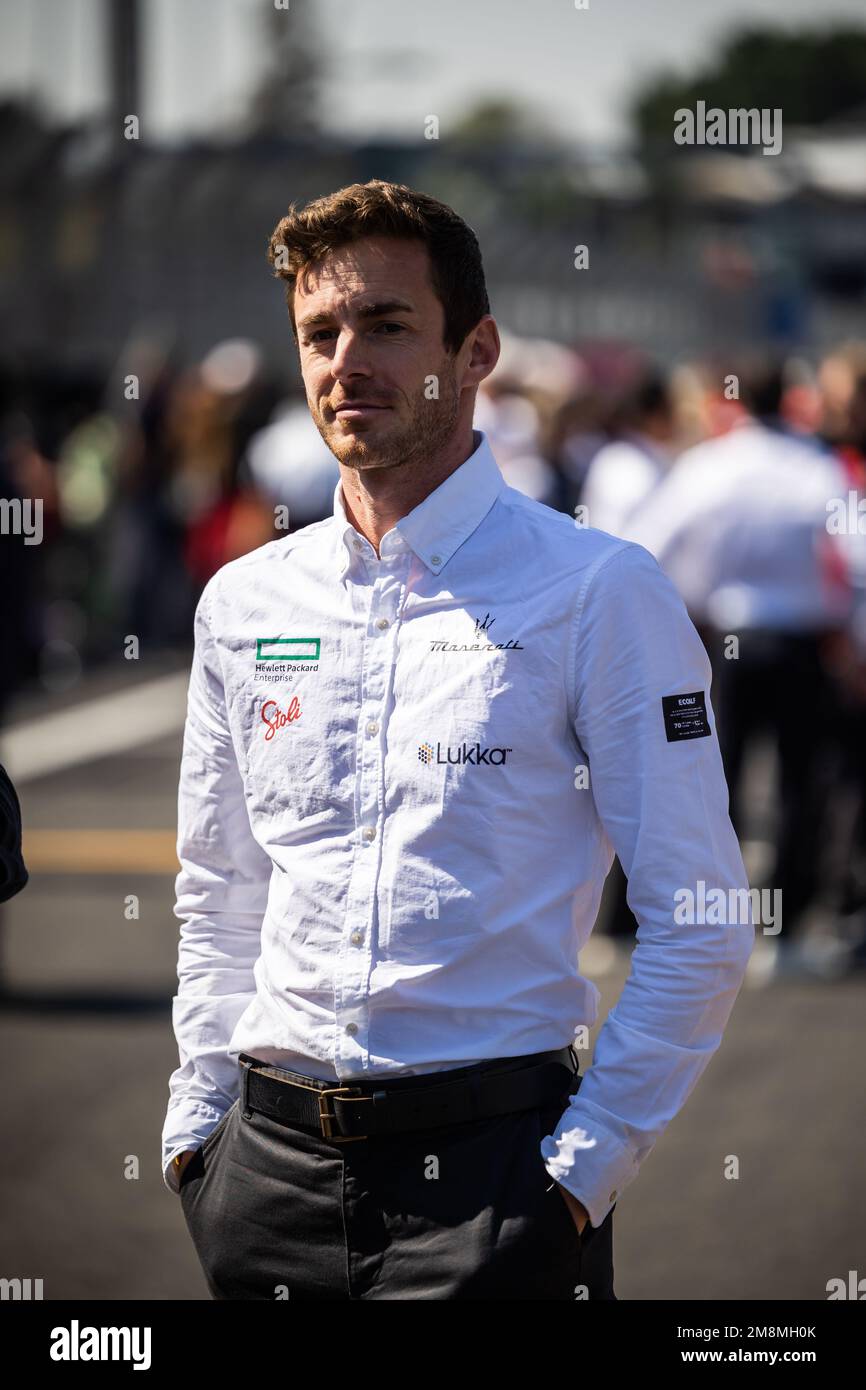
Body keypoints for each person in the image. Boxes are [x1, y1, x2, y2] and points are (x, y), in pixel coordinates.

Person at [161, 179, 753, 1301]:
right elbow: (219, 887)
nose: (347, 361)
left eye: (386, 326)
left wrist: (575, 1183)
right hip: (264, 1180)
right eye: (320, 334)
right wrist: (198, 1139)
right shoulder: (243, 602)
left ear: (475, 350)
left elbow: (703, 917)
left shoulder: (596, 591)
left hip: (494, 1186)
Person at [626, 360, 853, 975]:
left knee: (708, 780)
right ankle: (788, 931)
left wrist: (678, 614)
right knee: (800, 785)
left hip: (723, 641)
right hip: (802, 642)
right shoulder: (817, 466)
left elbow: (645, 546)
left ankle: (705, 923)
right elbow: (856, 559)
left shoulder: (711, 465)